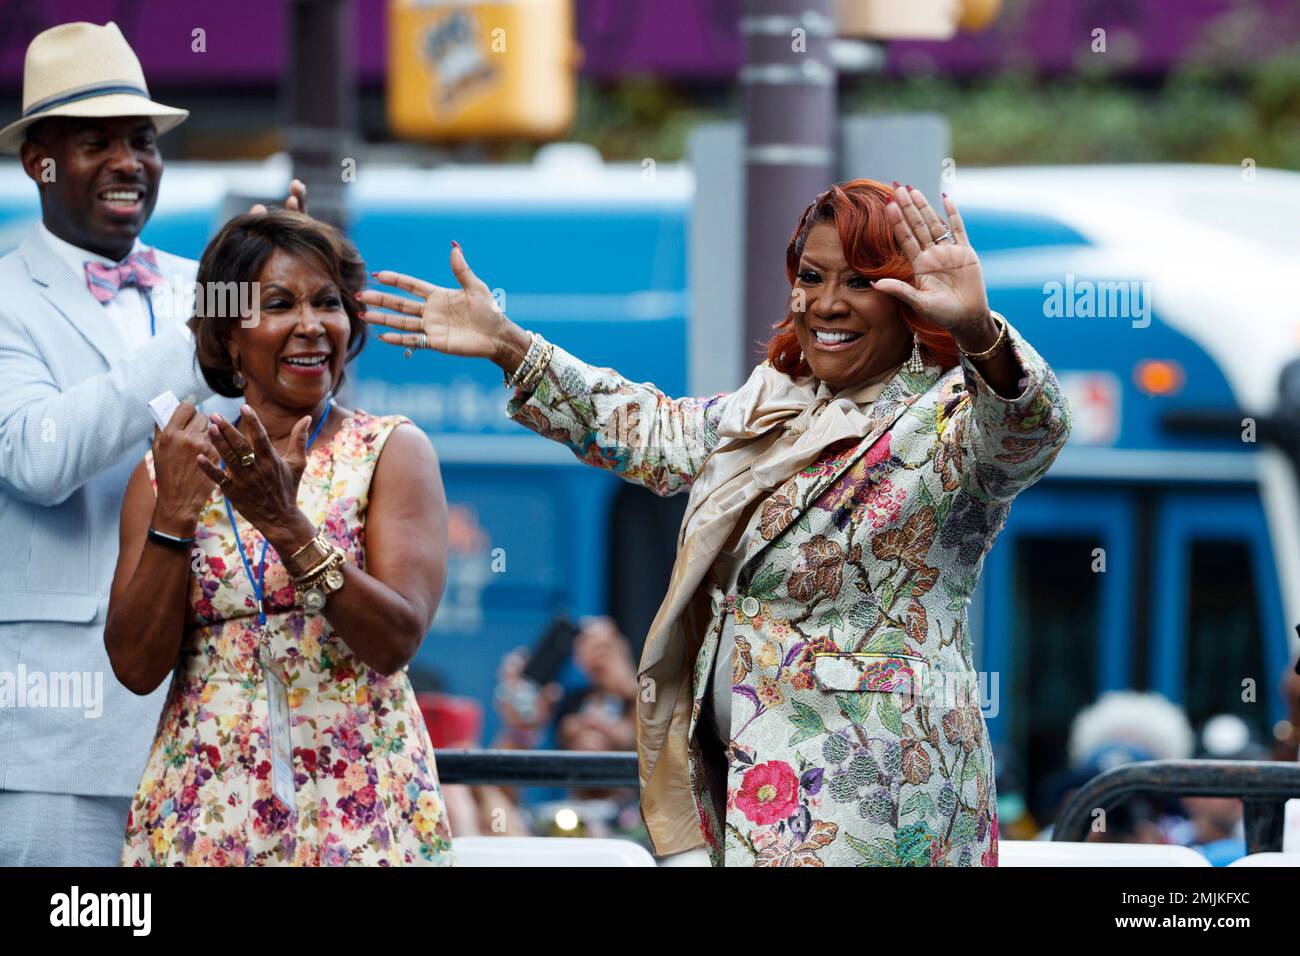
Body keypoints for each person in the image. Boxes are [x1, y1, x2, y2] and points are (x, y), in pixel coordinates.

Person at [359, 179, 1072, 866]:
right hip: (742, 797)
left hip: (881, 813)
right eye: (812, 277)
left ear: (907, 299)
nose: (826, 303)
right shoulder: (774, 404)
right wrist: (509, 345)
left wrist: (978, 331)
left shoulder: (946, 417)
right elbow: (649, 432)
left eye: (859, 282)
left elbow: (1030, 432)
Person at [0, 20, 302, 867]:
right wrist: (199, 339)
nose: (130, 161)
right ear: (40, 162)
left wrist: (289, 284)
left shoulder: (199, 285)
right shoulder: (6, 299)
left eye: (143, 140)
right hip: (54, 741)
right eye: (97, 142)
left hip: (213, 726)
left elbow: (281, 435)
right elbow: (39, 457)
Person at [104, 210, 455, 865]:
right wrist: (175, 518)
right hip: (206, 815)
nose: (311, 326)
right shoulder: (169, 470)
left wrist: (287, 526)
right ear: (228, 336)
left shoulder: (391, 451)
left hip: (364, 814)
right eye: (279, 304)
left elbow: (394, 639)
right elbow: (134, 667)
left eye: (328, 303)